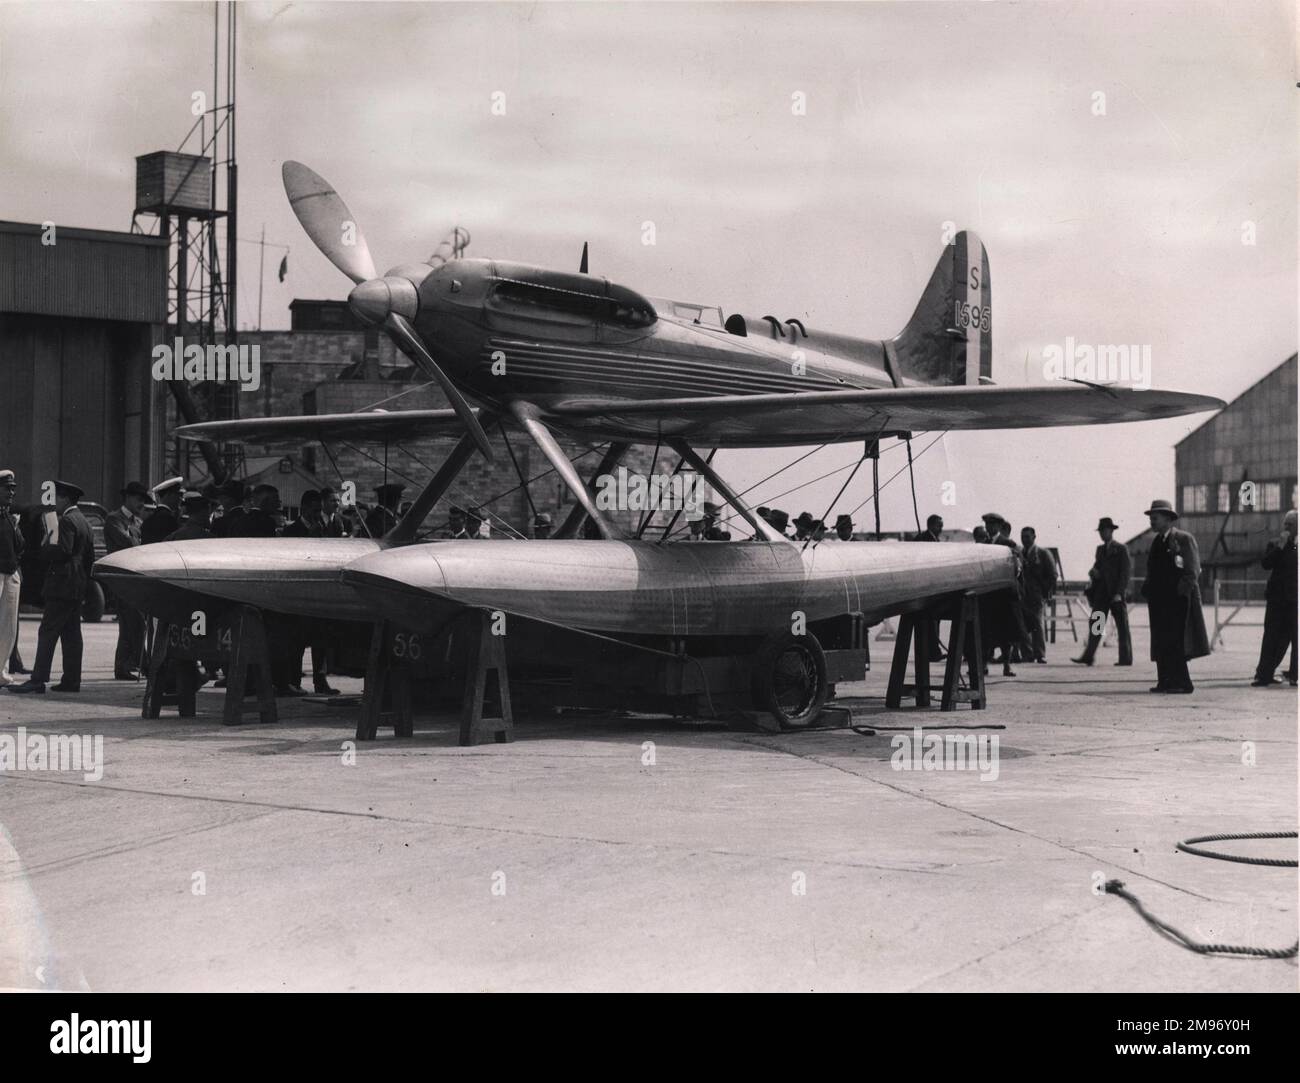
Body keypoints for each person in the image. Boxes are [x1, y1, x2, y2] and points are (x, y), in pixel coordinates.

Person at [7, 481, 93, 694]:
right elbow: (89, 557)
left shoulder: (66, 522)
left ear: (65, 499)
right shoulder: (84, 522)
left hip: (61, 584)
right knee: (72, 634)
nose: (55, 504)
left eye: (58, 499)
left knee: (47, 631)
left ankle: (37, 679)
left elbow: (62, 551)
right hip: (76, 584)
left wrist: (43, 550)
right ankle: (72, 680)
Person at [1140, 499, 1209, 694]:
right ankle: (1165, 681)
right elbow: (1152, 570)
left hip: (1177, 601)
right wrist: (1147, 589)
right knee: (1161, 641)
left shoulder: (1183, 539)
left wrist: (1180, 593)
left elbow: (1192, 570)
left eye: (1156, 517)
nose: (1152, 521)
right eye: (1151, 517)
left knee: (1177, 641)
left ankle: (1183, 683)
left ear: (1168, 518)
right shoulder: (1157, 542)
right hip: (1159, 601)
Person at [1073, 517, 1133, 667]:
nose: (1102, 534)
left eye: (1104, 530)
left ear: (1111, 531)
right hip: (1101, 594)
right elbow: (1098, 566)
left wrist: (1119, 593)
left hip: (1115, 594)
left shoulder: (1121, 549)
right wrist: (1094, 571)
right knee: (1096, 624)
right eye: (1100, 531)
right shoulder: (1100, 550)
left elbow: (1125, 573)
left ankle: (1125, 658)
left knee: (1122, 627)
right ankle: (1089, 656)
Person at [104, 481, 149, 678]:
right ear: (128, 497)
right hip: (122, 579)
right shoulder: (114, 519)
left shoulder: (137, 522)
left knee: (129, 623)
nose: (141, 503)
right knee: (134, 622)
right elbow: (130, 543)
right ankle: (144, 664)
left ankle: (123, 666)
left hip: (134, 579)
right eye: (139, 499)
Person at [1251, 509, 1297, 687]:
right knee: (1271, 636)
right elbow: (1266, 563)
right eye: (1285, 523)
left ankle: (1295, 674)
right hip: (1277, 599)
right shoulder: (1275, 544)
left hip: (1295, 600)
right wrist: (1280, 547)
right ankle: (1264, 674)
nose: (1286, 527)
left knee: (1296, 638)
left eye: (1290, 524)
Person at [1018, 526, 1056, 663]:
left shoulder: (1042, 553)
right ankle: (1027, 654)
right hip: (1022, 595)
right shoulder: (1020, 554)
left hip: (1036, 595)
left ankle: (1040, 654)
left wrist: (1045, 591)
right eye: (1023, 537)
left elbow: (1053, 575)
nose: (1025, 540)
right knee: (1022, 625)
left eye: (1027, 537)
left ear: (1034, 537)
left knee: (1037, 623)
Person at [0, 470, 24, 687]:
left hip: (10, 573)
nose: (12, 492)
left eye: (13, 488)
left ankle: (1, 671)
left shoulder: (8, 515)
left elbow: (20, 546)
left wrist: (16, 528)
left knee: (9, 626)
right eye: (7, 488)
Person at [141, 477, 183, 544]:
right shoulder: (169, 520)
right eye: (178, 495)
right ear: (168, 495)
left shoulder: (149, 519)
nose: (180, 499)